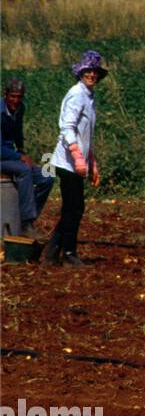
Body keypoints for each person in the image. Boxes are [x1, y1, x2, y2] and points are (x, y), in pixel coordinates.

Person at [43, 51, 106, 267]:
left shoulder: (89, 96)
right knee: (74, 208)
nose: (92, 75)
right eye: (88, 71)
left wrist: (92, 162)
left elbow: (86, 134)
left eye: (94, 71)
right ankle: (68, 254)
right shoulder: (76, 94)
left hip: (76, 161)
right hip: (67, 161)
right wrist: (78, 157)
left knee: (73, 208)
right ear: (80, 73)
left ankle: (51, 254)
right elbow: (67, 128)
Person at [1, 76, 55, 238]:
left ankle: (29, 219)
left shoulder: (20, 108)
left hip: (10, 156)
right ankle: (26, 223)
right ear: (6, 95)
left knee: (47, 176)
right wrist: (19, 157)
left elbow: (18, 132)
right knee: (24, 169)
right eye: (13, 96)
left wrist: (22, 151)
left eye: (19, 97)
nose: (16, 100)